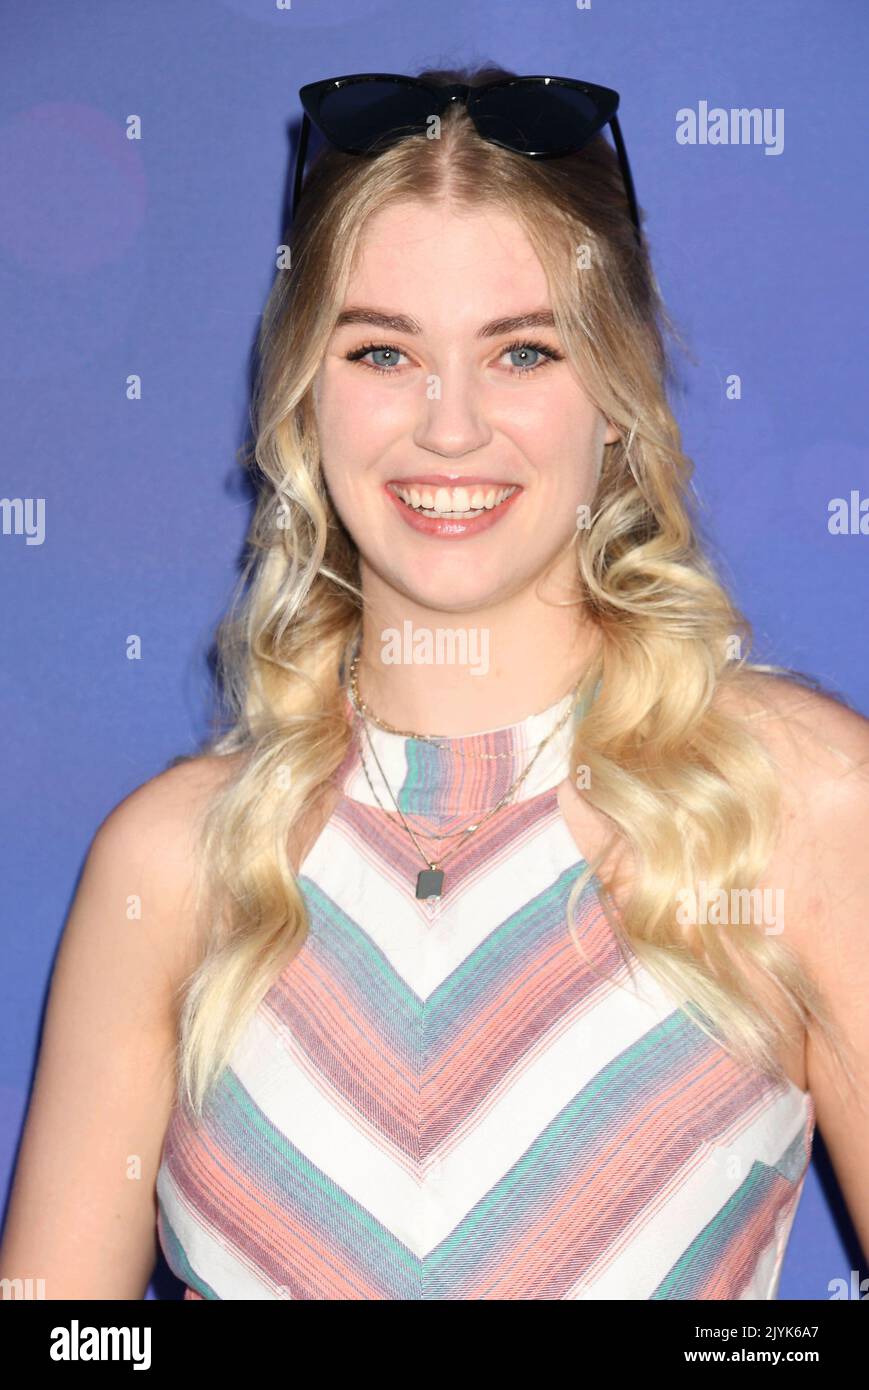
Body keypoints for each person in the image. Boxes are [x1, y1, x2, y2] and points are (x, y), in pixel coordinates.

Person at [1, 63, 867, 1301]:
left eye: (521, 351)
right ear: (304, 394)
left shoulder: (803, 808)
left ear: (615, 397)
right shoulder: (171, 865)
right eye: (380, 352)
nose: (447, 427)